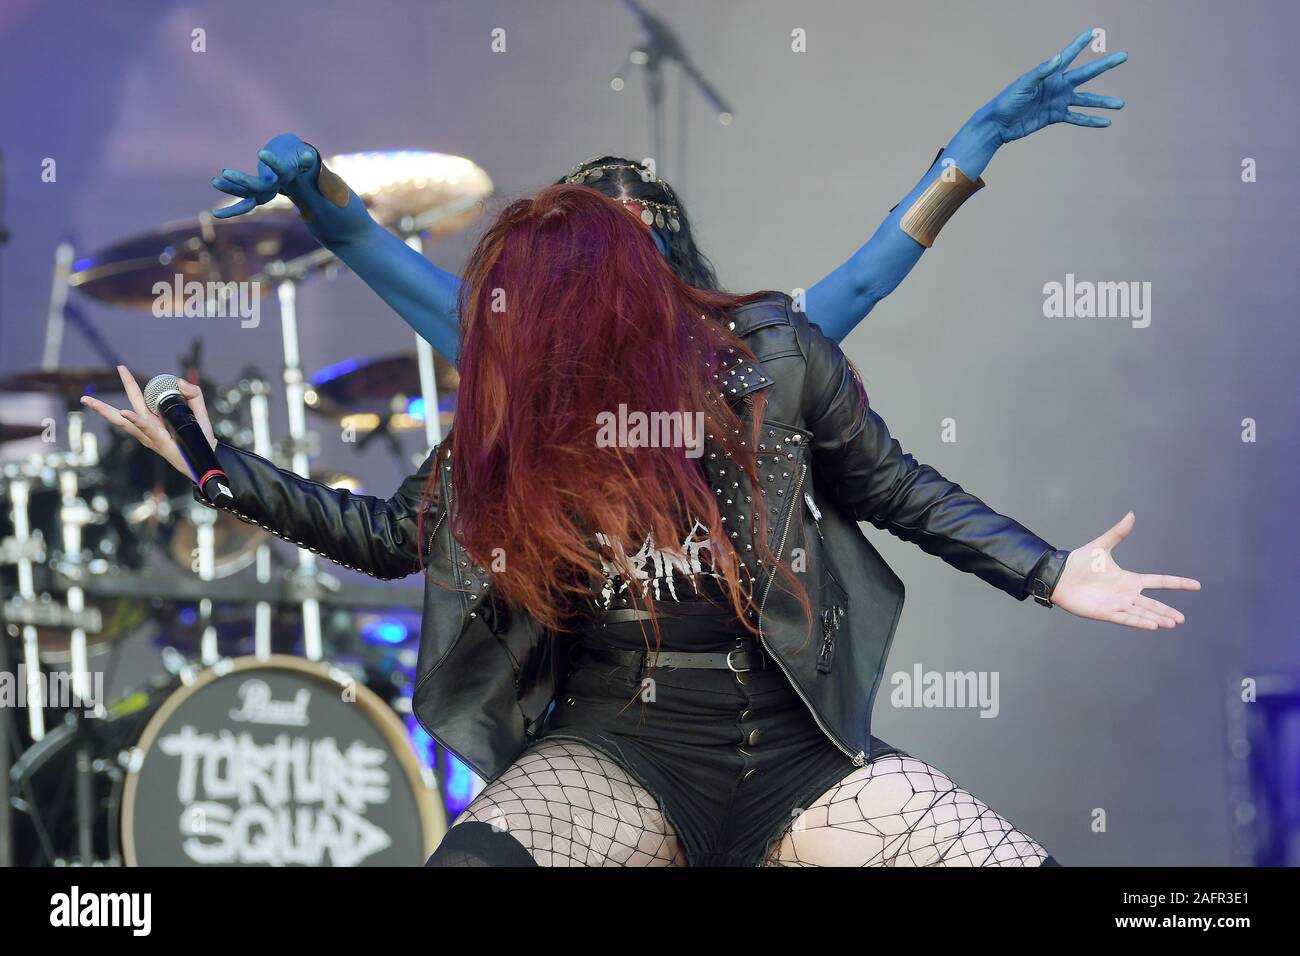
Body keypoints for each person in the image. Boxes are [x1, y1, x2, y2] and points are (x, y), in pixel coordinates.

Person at [83, 183, 1198, 867]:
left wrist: (1049, 570)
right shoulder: (520, 418)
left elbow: (896, 488)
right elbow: (385, 532)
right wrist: (218, 469)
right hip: (619, 755)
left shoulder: (770, 360)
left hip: (798, 760)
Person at [208, 29, 1129, 363]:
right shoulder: (517, 350)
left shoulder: (742, 349)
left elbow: (873, 271)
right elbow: (368, 243)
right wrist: (314, 182)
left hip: (734, 700)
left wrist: (972, 150)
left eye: (631, 233)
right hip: (581, 696)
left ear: (669, 253)